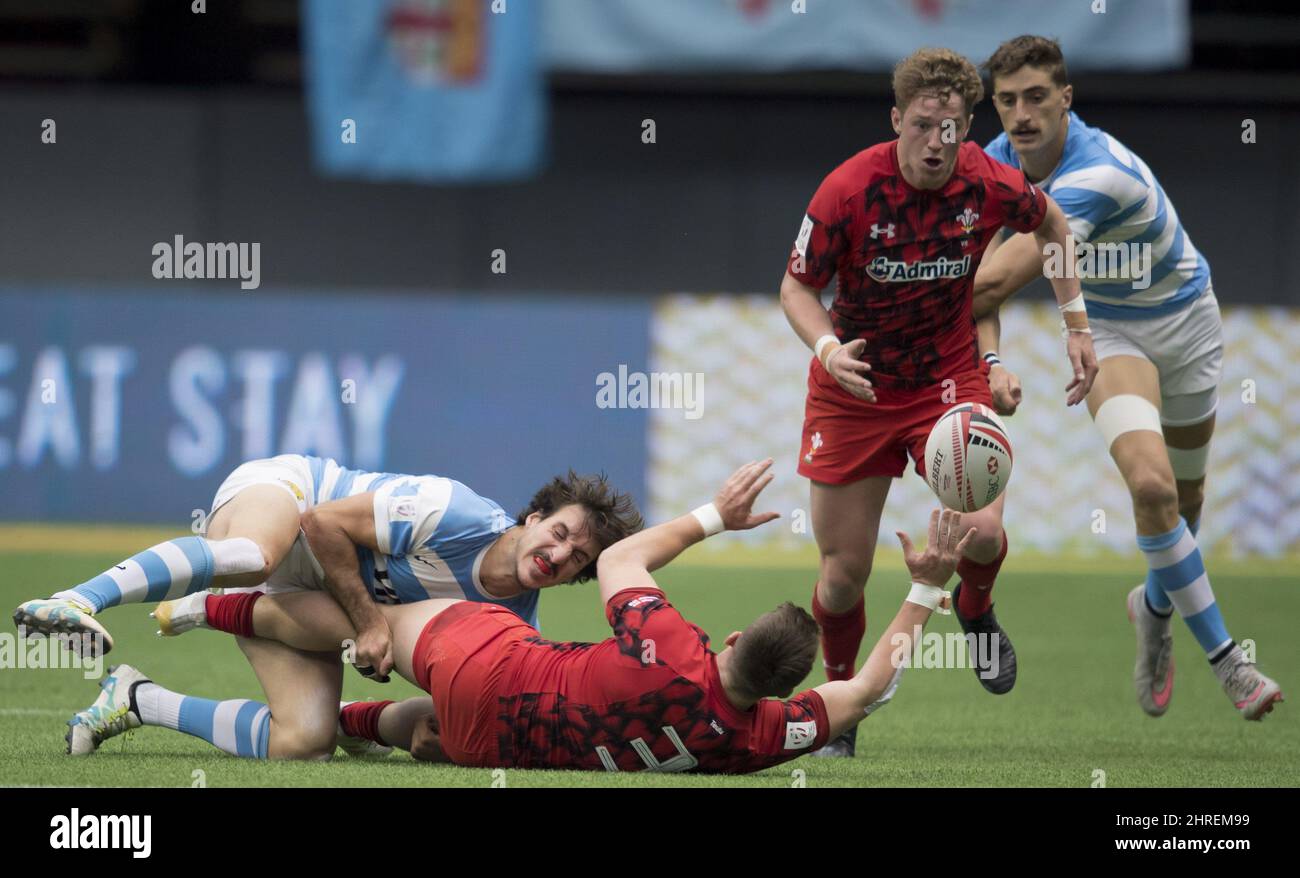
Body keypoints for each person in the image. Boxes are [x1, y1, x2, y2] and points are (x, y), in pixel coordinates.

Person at [70, 460, 975, 774]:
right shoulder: (768, 741)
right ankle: (216, 601)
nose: (569, 554)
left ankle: (154, 681)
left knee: (334, 712)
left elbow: (624, 560)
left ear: (734, 642)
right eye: (563, 537)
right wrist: (927, 593)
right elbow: (865, 689)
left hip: (491, 675)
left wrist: (709, 518)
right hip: (503, 742)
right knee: (397, 708)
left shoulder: (673, 645)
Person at [779, 46, 1099, 756]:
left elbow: (1052, 227)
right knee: (841, 576)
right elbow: (796, 286)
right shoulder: (848, 190)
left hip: (944, 383)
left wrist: (1076, 323)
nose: (936, 142)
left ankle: (975, 607)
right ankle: (842, 707)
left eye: (951, 126)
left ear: (966, 124)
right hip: (853, 390)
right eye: (922, 125)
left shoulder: (989, 183)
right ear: (898, 119)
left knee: (981, 533)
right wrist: (829, 351)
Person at [972, 35, 1282, 720]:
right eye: (1006, 101)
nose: (1021, 115)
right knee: (1151, 486)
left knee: (1186, 499)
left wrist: (897, 306)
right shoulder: (991, 165)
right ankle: (1231, 663)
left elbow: (988, 279)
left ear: (1066, 99)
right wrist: (987, 358)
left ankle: (1153, 607)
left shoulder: (1097, 175)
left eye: (1036, 98)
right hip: (1109, 333)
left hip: (1188, 326)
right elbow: (977, 290)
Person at [22, 453, 641, 758]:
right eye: (559, 533)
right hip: (291, 500)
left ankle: (133, 698)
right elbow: (319, 523)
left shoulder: (514, 624)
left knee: (304, 743)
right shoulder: (456, 513)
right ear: (533, 517)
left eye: (578, 559)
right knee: (254, 555)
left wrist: (444, 730)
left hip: (308, 602)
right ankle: (78, 599)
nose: (560, 555)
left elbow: (467, 693)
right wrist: (371, 625)